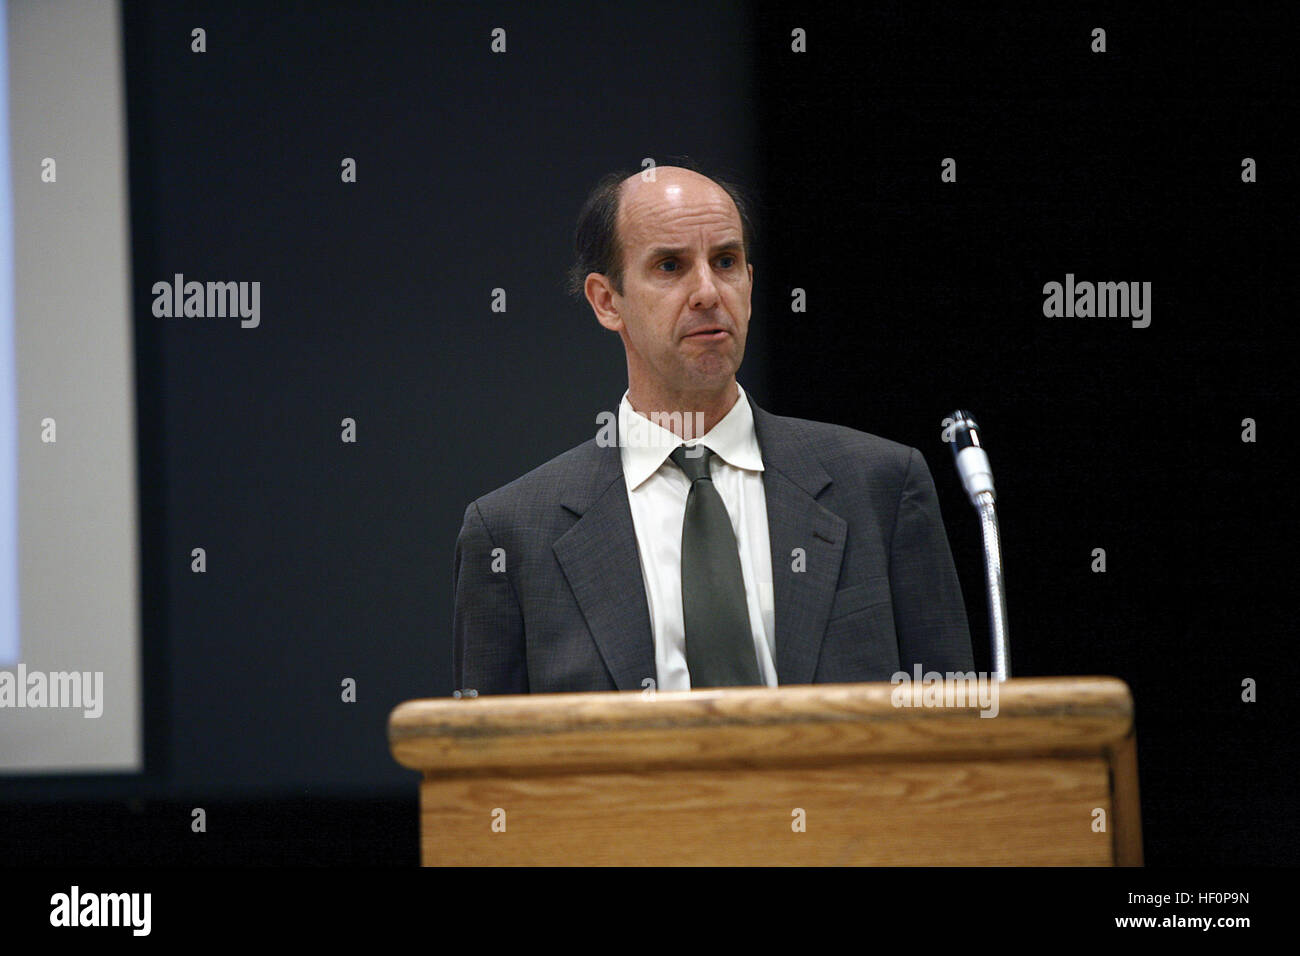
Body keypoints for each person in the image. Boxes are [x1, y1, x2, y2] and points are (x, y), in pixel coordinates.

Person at [452, 163, 972, 694]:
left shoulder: (882, 486)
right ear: (607, 302)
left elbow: (953, 729)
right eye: (671, 266)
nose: (707, 291)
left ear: (749, 281)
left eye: (725, 261)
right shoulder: (512, 534)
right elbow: (490, 768)